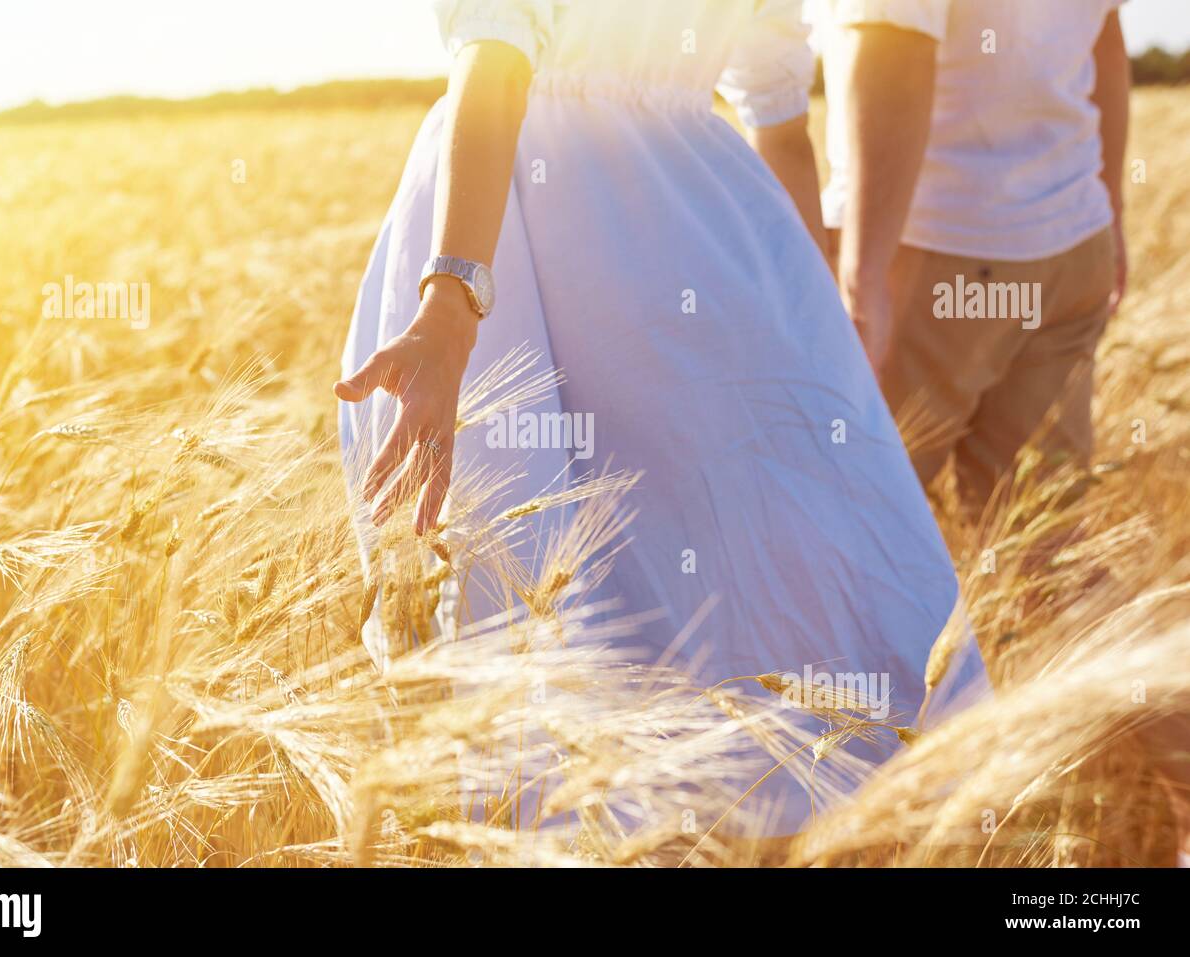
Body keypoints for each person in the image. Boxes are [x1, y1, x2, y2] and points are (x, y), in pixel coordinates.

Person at [335, 0, 980, 831]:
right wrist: (807, 308)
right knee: (736, 575)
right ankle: (800, 808)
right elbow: (780, 123)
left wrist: (451, 310)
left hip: (519, 221)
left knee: (534, 609)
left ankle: (596, 827)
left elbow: (495, 62)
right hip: (710, 233)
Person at [818, 0, 1131, 514]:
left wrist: (863, 276)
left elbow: (897, 49)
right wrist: (1113, 213)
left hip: (939, 250)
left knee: (861, 516)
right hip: (1075, 246)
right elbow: (1107, 44)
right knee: (1038, 526)